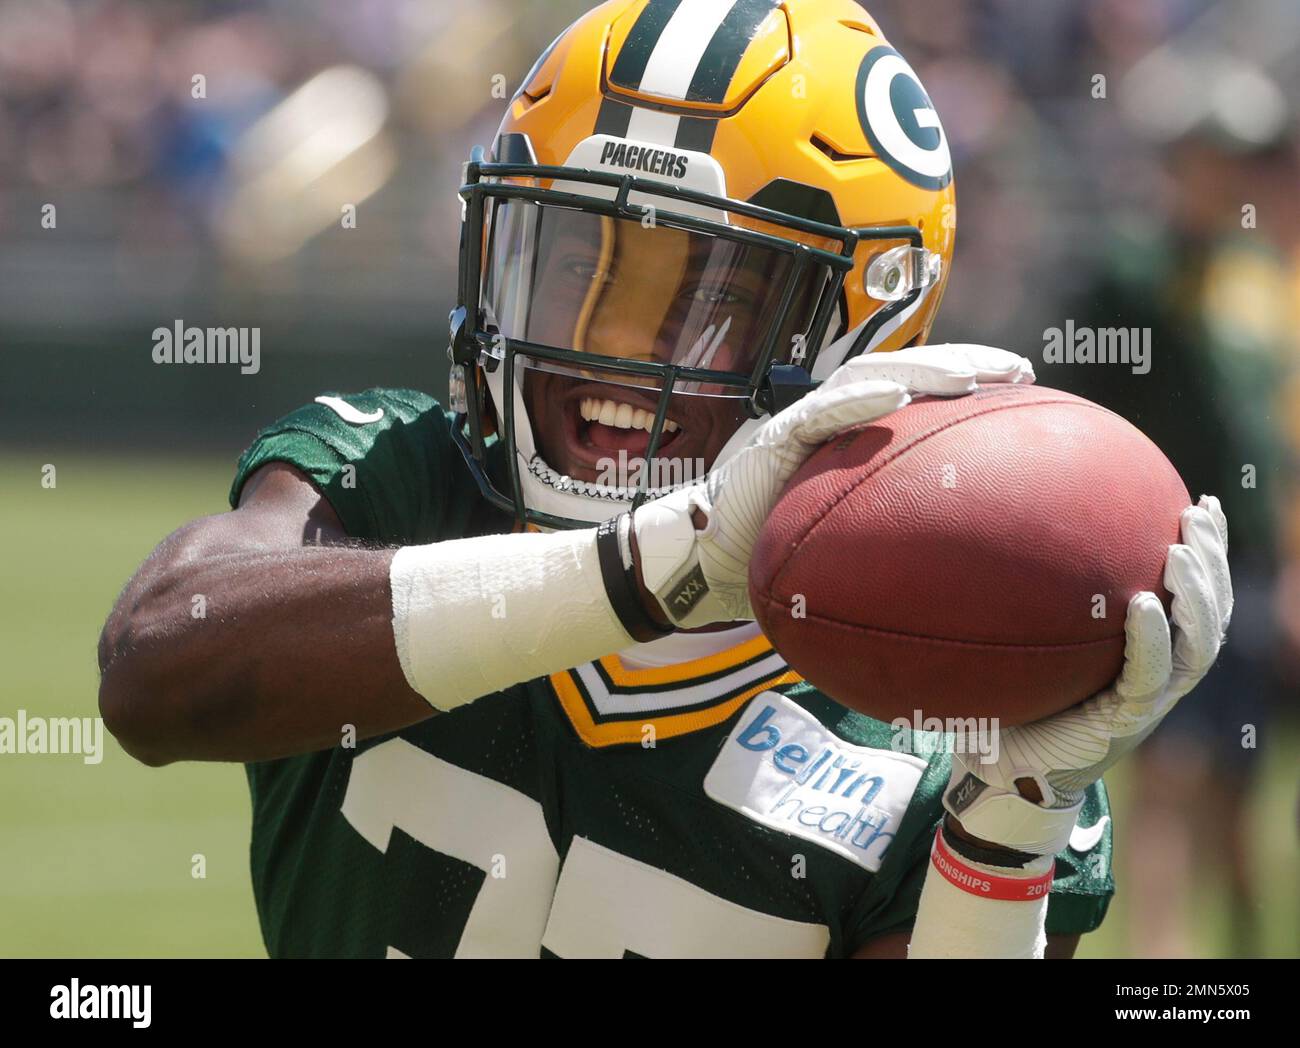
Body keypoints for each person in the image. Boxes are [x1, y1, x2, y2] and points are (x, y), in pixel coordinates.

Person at [97, 0, 1231, 959]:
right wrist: (653, 566)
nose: (612, 348)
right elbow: (155, 670)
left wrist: (1006, 840)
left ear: (860, 333)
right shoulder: (399, 476)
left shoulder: (915, 714)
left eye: (713, 298)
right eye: (575, 262)